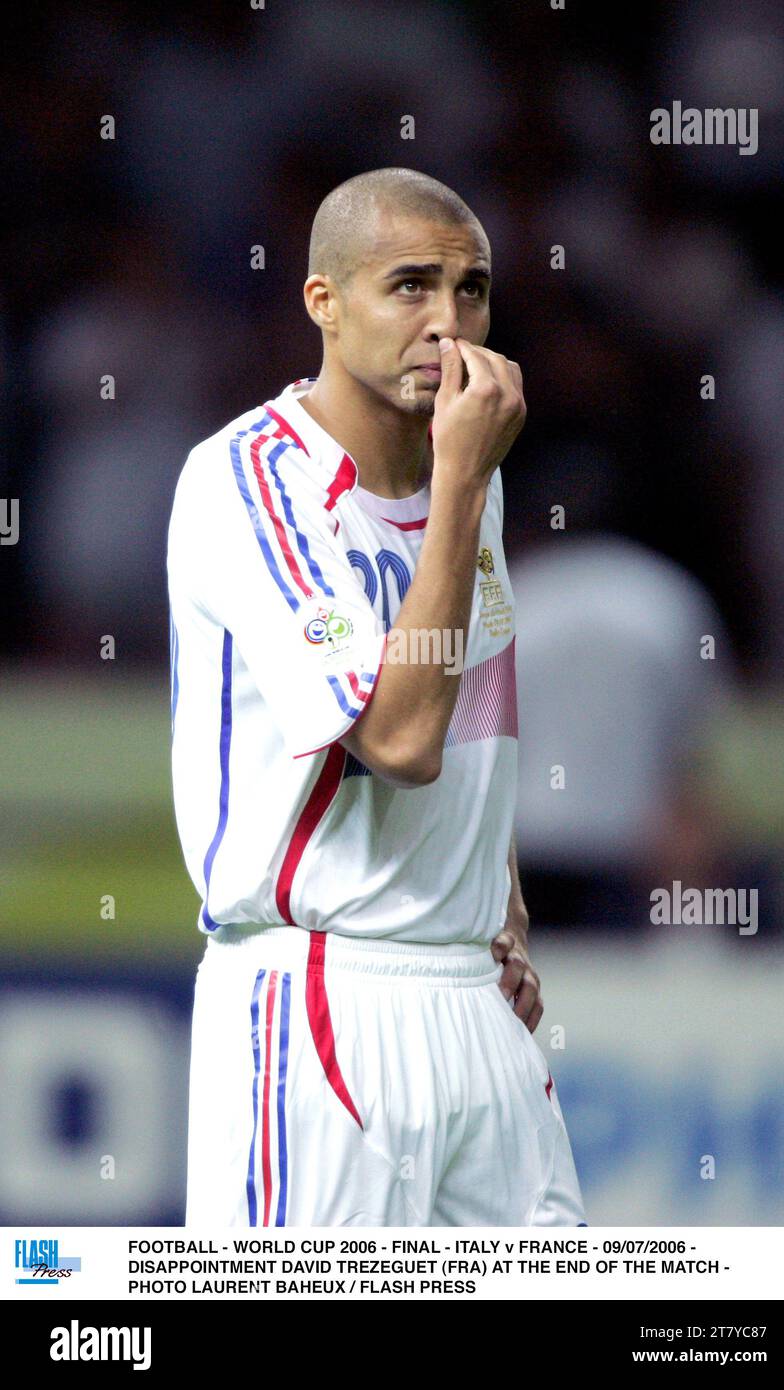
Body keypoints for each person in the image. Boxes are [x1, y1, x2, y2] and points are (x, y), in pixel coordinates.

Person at [166, 167, 586, 1226]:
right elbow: (398, 738)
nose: (447, 326)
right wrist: (458, 485)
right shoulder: (249, 481)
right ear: (323, 302)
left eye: (472, 290)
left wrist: (507, 909)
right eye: (409, 287)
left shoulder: (466, 481)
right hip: (319, 996)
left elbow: (475, 723)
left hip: (470, 999)